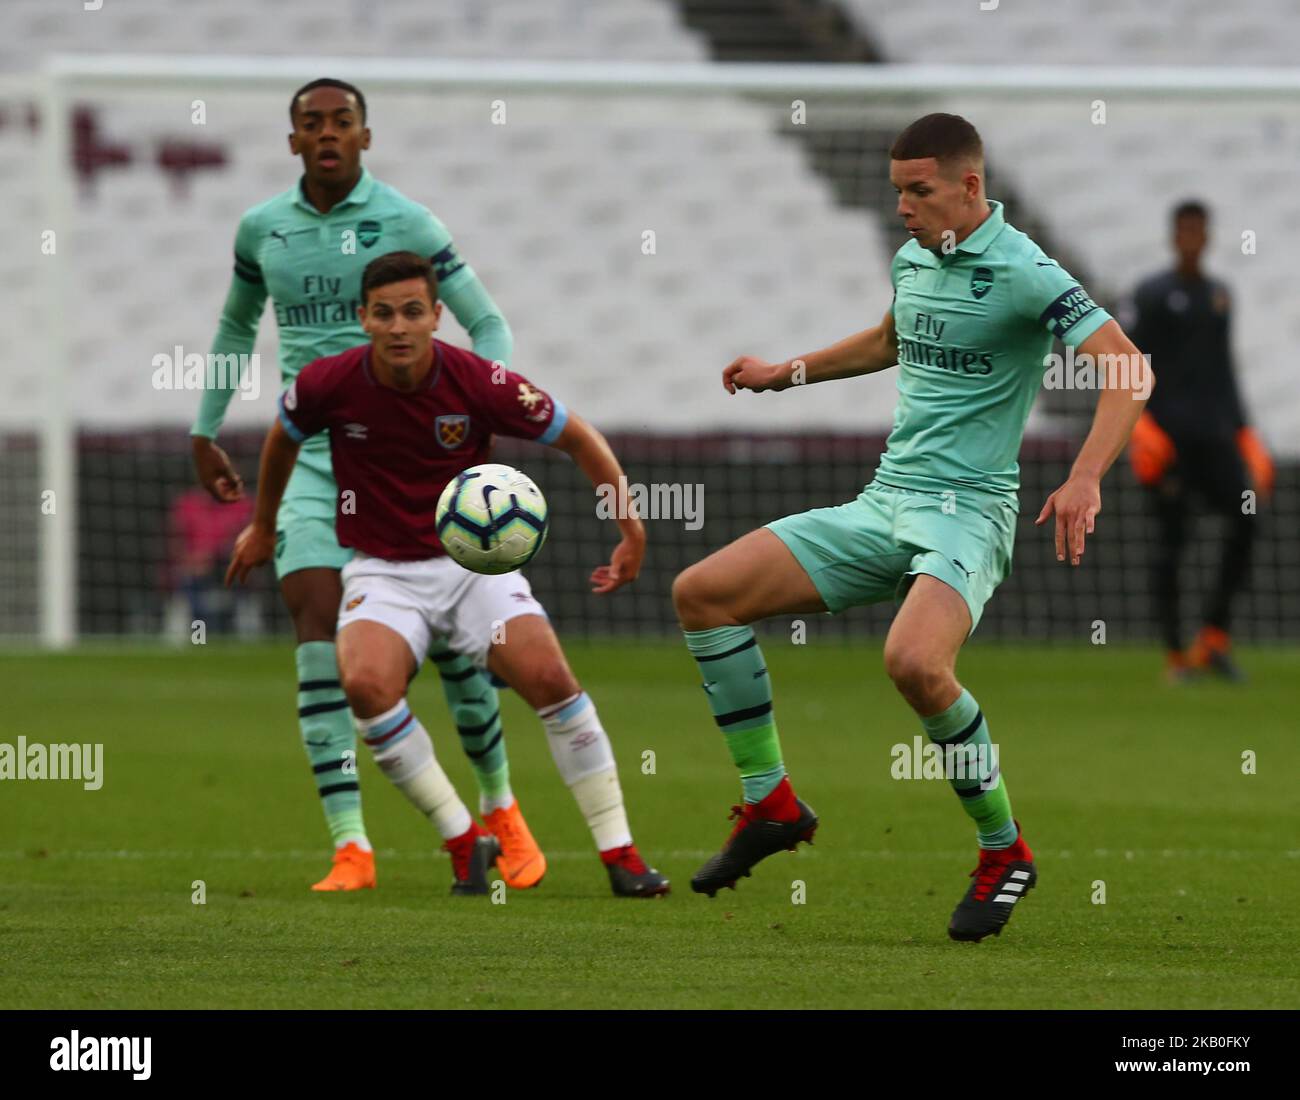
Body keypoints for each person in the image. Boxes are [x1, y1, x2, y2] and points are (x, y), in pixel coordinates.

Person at [671, 113, 1152, 942]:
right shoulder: (914, 257)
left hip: (970, 511)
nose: (903, 208)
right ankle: (770, 803)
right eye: (897, 192)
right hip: (886, 499)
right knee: (702, 594)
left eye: (918, 191)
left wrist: (1083, 477)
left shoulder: (1027, 270)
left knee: (913, 662)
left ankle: (1005, 851)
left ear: (970, 187)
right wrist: (784, 374)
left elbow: (1128, 366)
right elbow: (890, 341)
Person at [191, 79, 546, 892]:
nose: (326, 134)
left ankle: (499, 807)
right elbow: (234, 327)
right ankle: (352, 846)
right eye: (310, 124)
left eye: (340, 122)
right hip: (314, 458)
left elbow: (485, 323)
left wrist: (482, 410)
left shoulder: (410, 224)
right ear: (292, 142)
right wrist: (203, 428)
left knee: (462, 652)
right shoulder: (262, 229)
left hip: (411, 458)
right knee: (318, 633)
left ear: (365, 135)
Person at [226, 251, 669, 898]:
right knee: (365, 686)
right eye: (384, 314)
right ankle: (466, 841)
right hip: (383, 574)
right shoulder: (330, 383)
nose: (399, 326)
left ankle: (622, 856)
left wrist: (630, 526)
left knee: (550, 678)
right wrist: (264, 526)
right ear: (363, 320)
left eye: (412, 312)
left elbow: (580, 437)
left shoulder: (480, 382)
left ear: (437, 317)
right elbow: (282, 437)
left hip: (472, 571)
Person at [1126, 200, 1274, 682]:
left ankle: (1213, 637)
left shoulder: (1219, 296)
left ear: (1207, 237)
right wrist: (1140, 426)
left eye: (1199, 230)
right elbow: (1131, 364)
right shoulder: (1151, 295)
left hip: (1216, 438)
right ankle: (1174, 655)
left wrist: (1245, 431)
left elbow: (1223, 370)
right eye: (1184, 230)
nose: (1192, 238)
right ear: (1174, 236)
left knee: (1248, 518)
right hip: (1169, 443)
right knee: (1173, 541)